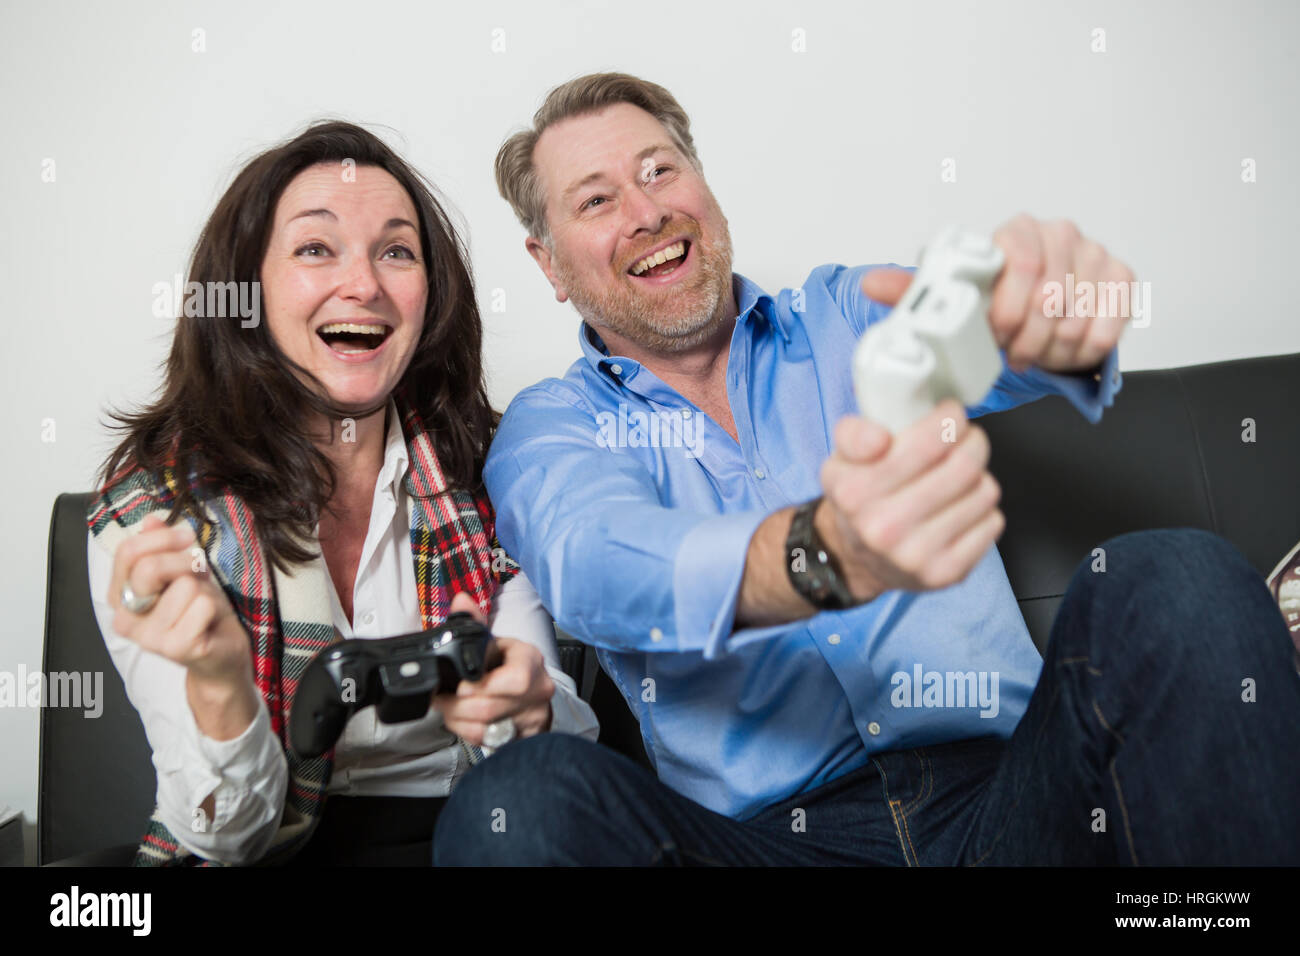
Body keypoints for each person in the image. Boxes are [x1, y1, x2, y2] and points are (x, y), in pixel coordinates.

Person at [431, 73, 1300, 865]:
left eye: (660, 171)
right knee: (518, 801)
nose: (646, 211)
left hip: (1019, 806)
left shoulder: (845, 315)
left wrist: (1052, 311)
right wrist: (814, 557)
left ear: (706, 188)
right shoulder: (555, 426)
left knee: (1175, 574)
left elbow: (983, 326)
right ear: (548, 264)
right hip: (772, 848)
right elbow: (595, 565)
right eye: (596, 200)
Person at [87, 121, 598, 867]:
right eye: (315, 249)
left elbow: (563, 751)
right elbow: (226, 838)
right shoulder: (153, 515)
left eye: (396, 251)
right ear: (246, 291)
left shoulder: (496, 468)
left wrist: (525, 706)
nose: (363, 285)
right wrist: (219, 685)